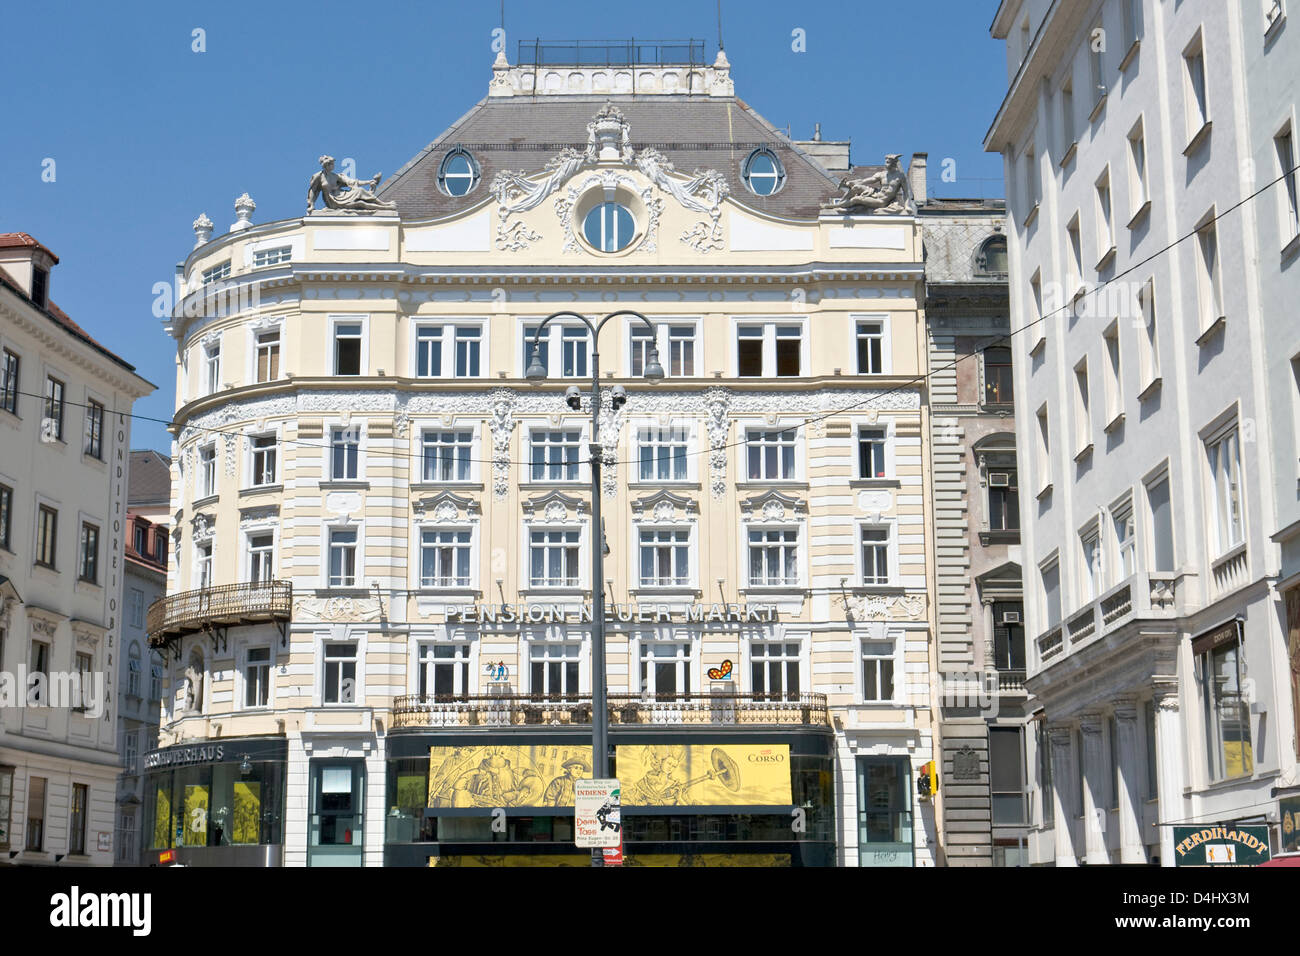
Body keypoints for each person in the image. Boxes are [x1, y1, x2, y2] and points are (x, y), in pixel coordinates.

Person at [307, 155, 396, 214]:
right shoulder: (318, 176)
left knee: (360, 190)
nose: (333, 165)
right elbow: (314, 190)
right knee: (361, 203)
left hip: (342, 196)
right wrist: (311, 205)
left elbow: (353, 182)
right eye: (332, 164)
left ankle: (384, 205)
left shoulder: (337, 176)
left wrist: (369, 182)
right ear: (327, 165)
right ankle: (386, 207)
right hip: (333, 201)